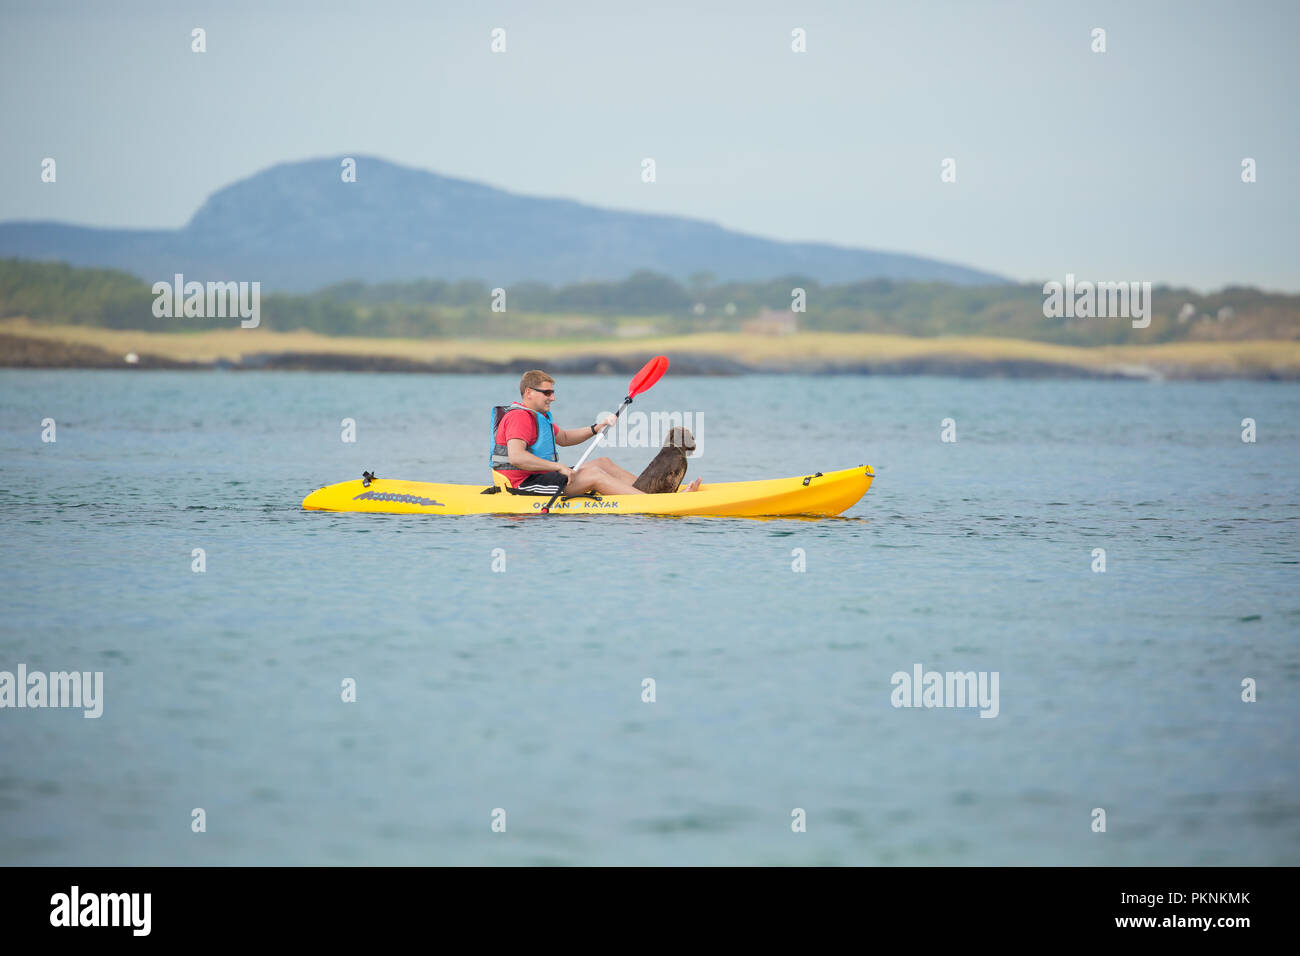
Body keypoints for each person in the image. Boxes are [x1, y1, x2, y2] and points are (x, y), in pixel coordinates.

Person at [491, 369, 702, 496]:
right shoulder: (519, 418)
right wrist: (558, 467)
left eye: (553, 392)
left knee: (603, 463)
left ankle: (648, 492)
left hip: (543, 476)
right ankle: (653, 503)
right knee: (595, 475)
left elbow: (563, 438)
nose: (552, 398)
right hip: (521, 485)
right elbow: (517, 457)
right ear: (528, 393)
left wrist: (596, 428)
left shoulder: (537, 416)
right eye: (547, 393)